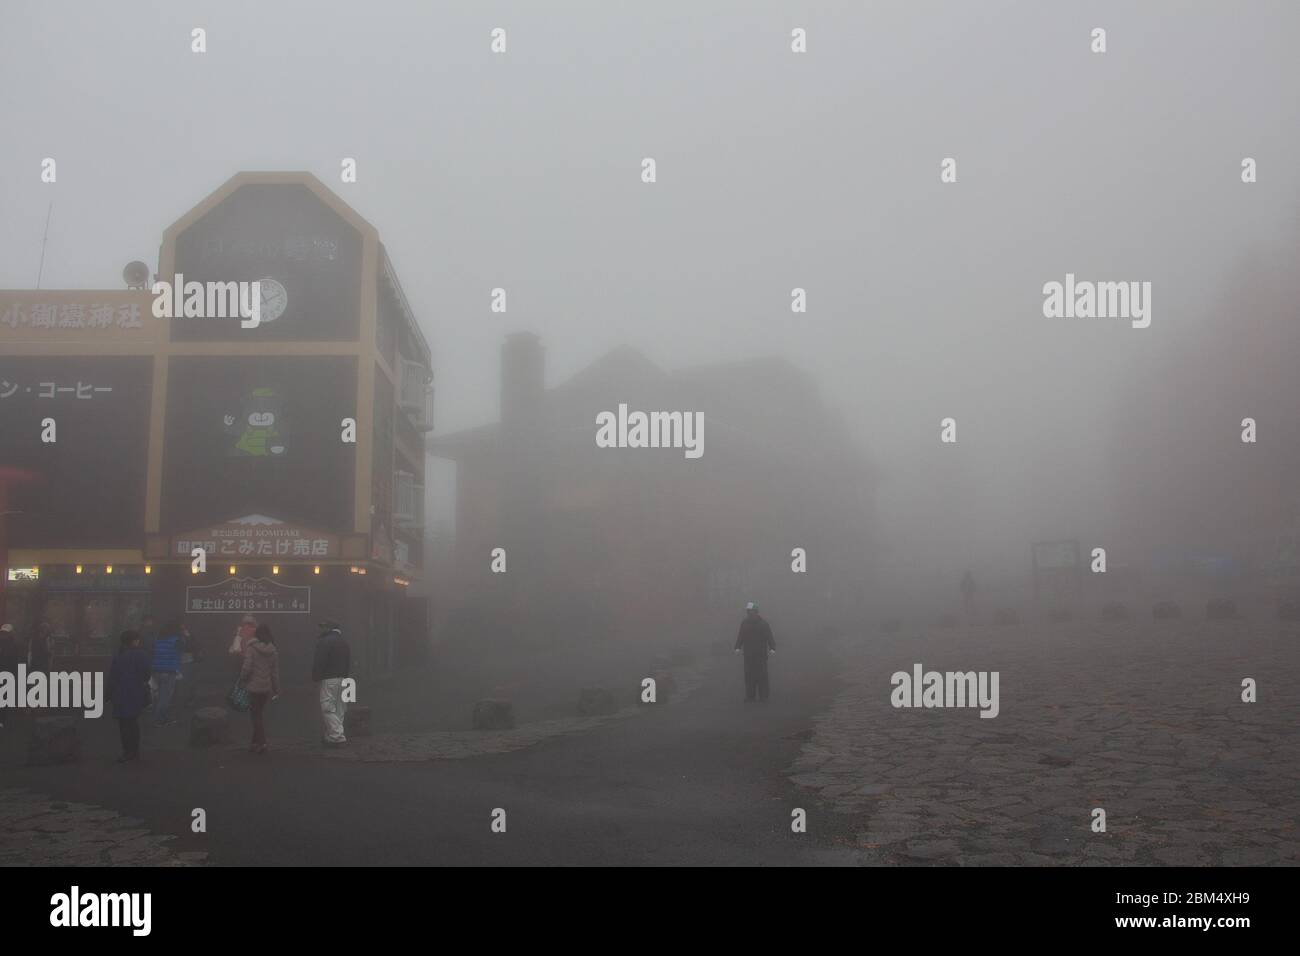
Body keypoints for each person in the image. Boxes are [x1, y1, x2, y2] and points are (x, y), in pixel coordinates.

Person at [106, 630, 152, 762]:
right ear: (134, 641)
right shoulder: (141, 655)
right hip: (135, 692)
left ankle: (127, 752)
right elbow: (147, 674)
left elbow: (112, 678)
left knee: (123, 725)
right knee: (133, 723)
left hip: (120, 694)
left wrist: (107, 695)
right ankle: (135, 752)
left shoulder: (119, 656)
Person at [239, 623, 280, 754]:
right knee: (258, 715)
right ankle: (254, 743)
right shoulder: (273, 650)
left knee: (256, 717)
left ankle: (262, 743)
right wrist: (276, 688)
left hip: (253, 687)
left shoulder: (252, 648)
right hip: (265, 688)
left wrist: (242, 679)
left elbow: (247, 667)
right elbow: (275, 673)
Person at [312, 619, 350, 747]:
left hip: (329, 678)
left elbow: (320, 661)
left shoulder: (325, 641)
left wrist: (316, 676)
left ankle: (337, 736)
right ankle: (330, 735)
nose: (320, 630)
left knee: (327, 707)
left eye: (323, 627)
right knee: (339, 708)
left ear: (329, 628)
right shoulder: (344, 642)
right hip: (343, 679)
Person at [734, 601, 776, 702]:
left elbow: (769, 636)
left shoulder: (763, 624)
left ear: (756, 611)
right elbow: (741, 636)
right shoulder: (744, 623)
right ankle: (750, 696)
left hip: (761, 655)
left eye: (750, 611)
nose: (749, 613)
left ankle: (764, 696)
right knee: (749, 676)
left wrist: (772, 647)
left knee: (762, 675)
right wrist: (737, 646)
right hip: (748, 655)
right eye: (748, 611)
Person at [151, 618, 184, 726]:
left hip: (156, 670)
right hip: (169, 671)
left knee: (159, 694)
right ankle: (159, 719)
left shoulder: (157, 640)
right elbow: (185, 647)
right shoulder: (176, 640)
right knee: (165, 696)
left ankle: (160, 716)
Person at [0, 624, 17, 729]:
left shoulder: (12, 646)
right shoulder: (12, 645)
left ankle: (2, 719)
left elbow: (13, 662)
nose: (3, 635)